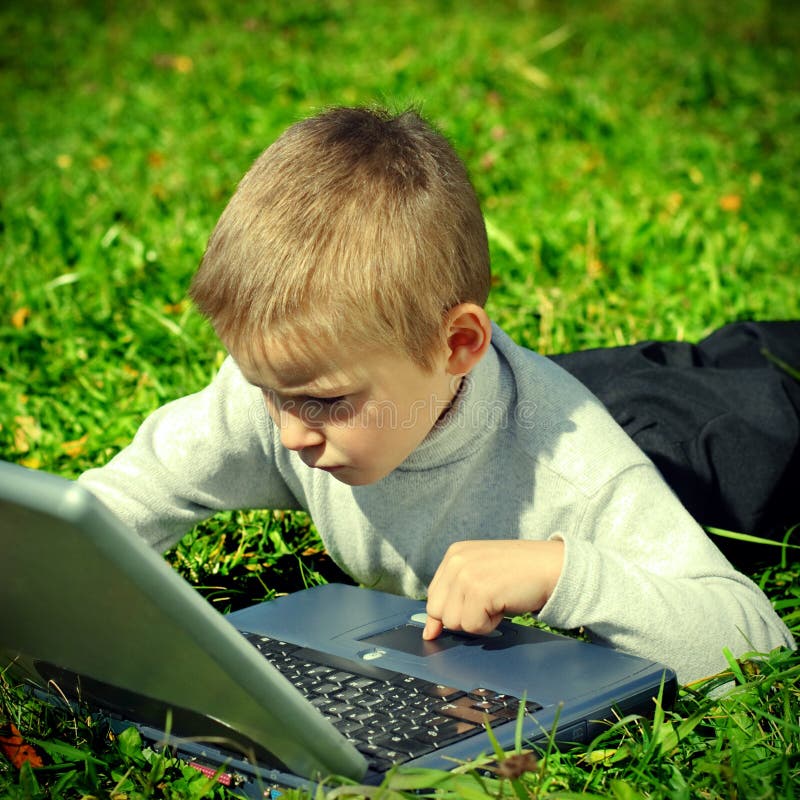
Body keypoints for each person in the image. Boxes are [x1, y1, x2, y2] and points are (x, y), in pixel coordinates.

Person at [78, 107, 795, 685]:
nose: (289, 434)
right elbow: (121, 500)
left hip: (694, 432)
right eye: (266, 390)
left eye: (325, 402)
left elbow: (758, 645)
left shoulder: (579, 476)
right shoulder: (291, 390)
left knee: (757, 387)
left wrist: (562, 573)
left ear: (456, 344)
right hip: (488, 394)